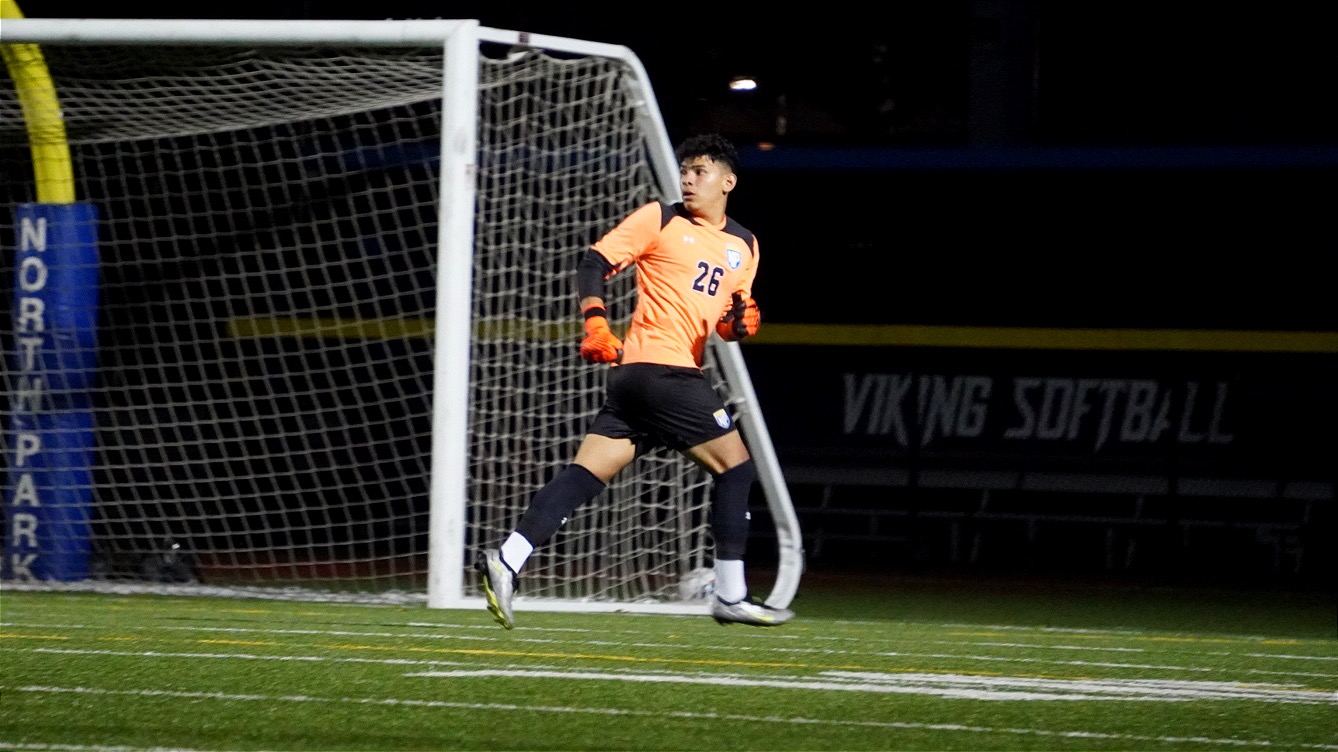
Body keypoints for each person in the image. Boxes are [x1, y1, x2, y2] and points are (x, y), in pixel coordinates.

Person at [478, 133, 793, 630]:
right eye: (685, 170)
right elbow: (594, 263)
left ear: (728, 182)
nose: (688, 178)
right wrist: (596, 322)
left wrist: (742, 323)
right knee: (735, 470)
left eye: (701, 171)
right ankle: (730, 594)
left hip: (637, 383)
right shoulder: (661, 218)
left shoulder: (745, 245)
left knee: (585, 474)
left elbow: (730, 323)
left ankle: (509, 559)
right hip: (664, 373)